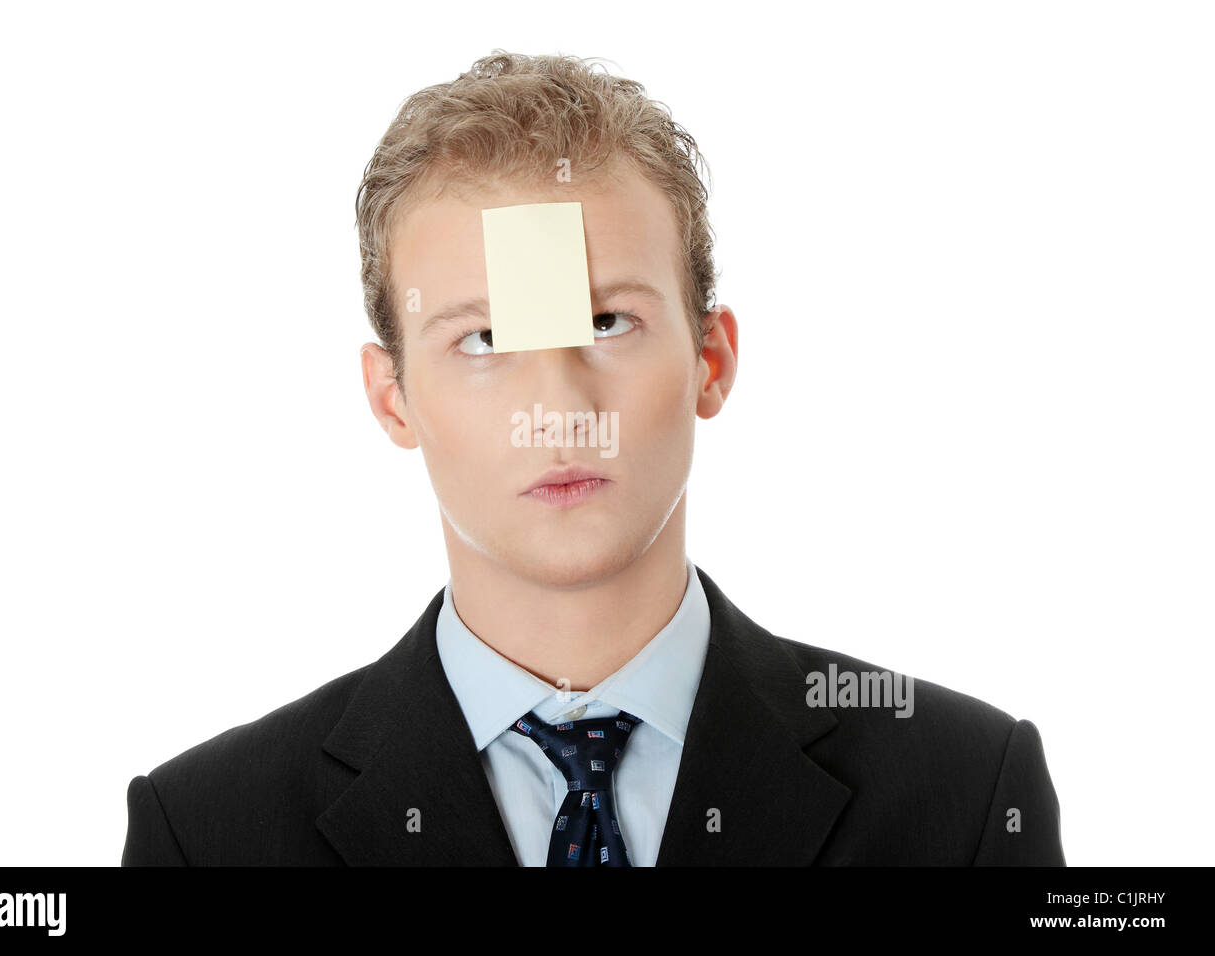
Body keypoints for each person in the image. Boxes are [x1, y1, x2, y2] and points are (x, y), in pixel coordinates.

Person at [122, 51, 1065, 866]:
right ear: (391, 397)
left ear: (712, 359)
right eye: (485, 339)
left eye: (608, 320)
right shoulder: (209, 834)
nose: (560, 412)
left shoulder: (964, 796)